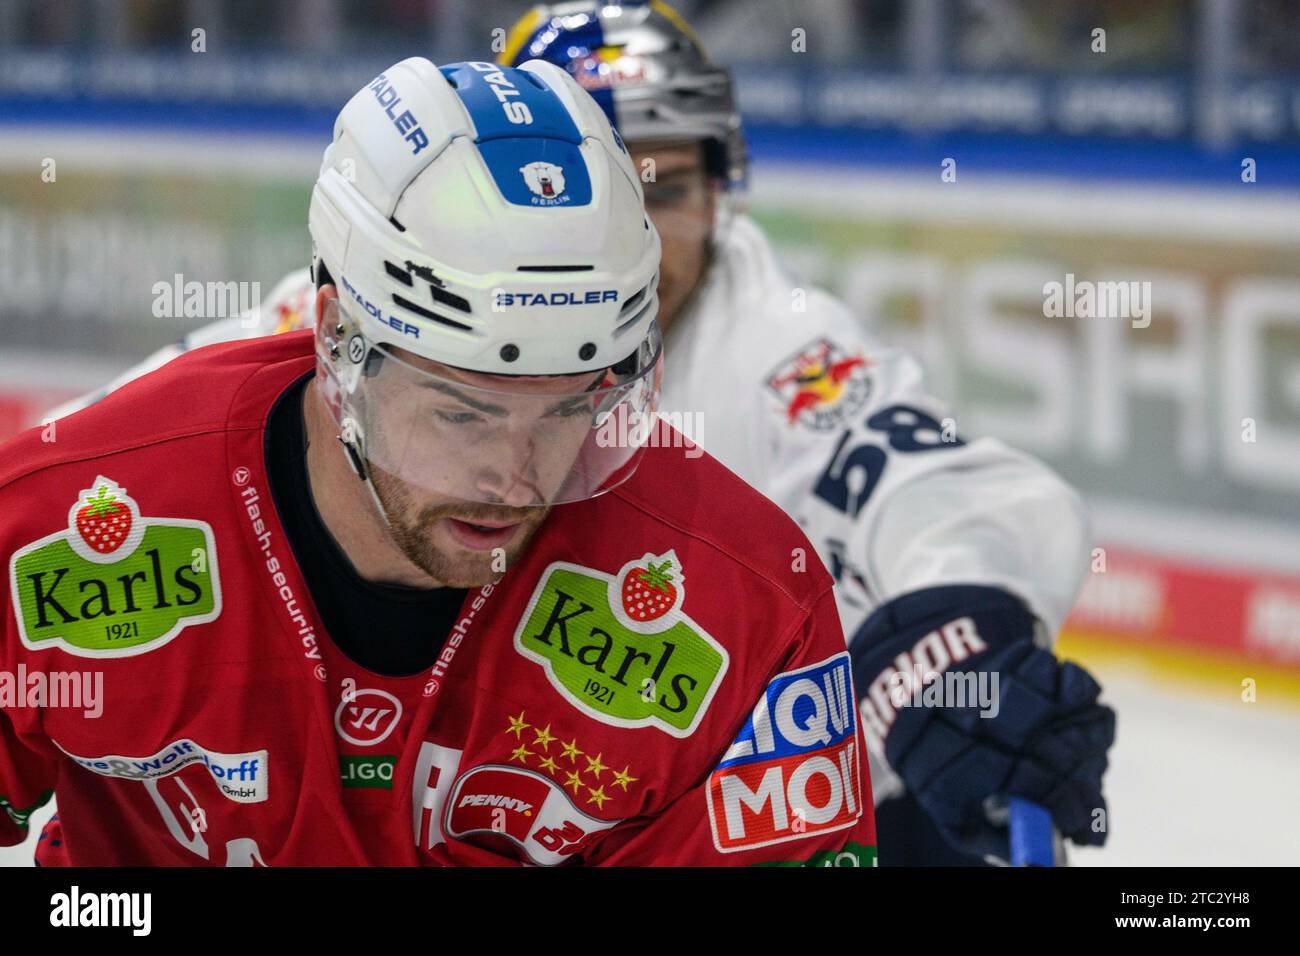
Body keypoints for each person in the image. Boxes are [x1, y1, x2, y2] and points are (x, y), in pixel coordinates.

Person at [44, 0, 1116, 866]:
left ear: (723, 190)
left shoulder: (770, 341)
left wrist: (952, 632)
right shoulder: (368, 318)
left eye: (668, 185)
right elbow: (102, 471)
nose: (620, 231)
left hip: (802, 807)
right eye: (611, 183)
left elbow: (935, 483)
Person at [0, 56, 875, 866]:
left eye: (570, 409)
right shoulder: (54, 522)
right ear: (339, 341)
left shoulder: (749, 612)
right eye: (463, 413)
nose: (516, 476)